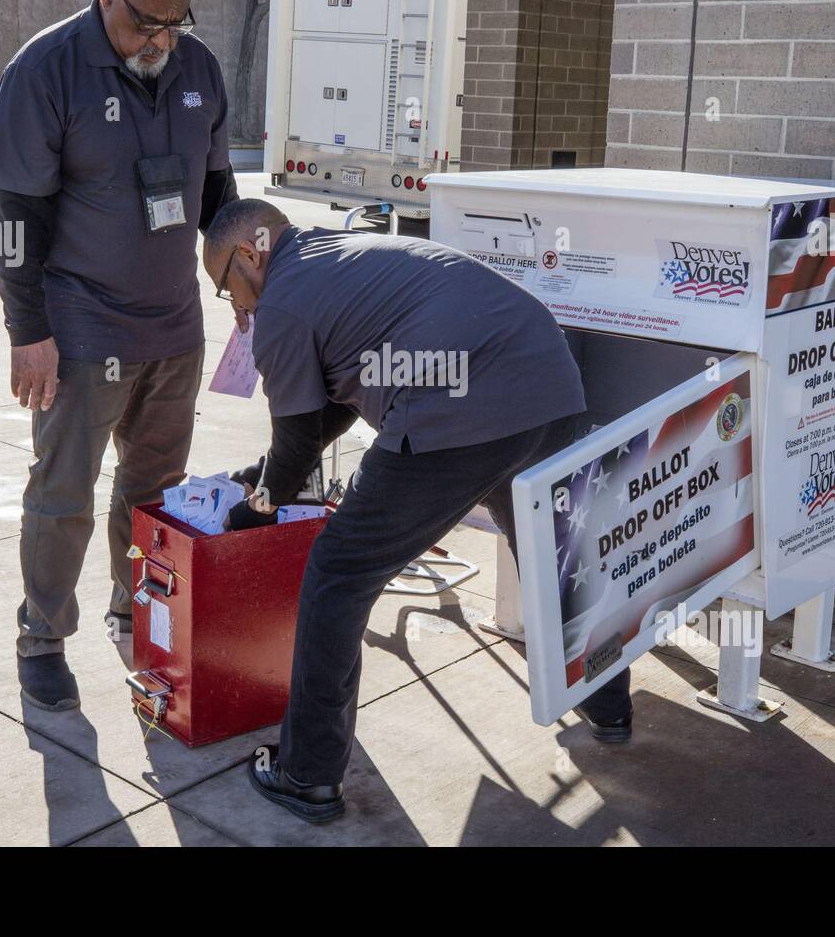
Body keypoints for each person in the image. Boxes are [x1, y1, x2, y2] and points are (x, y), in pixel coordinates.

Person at [202, 199, 633, 824]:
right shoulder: (334, 257)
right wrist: (267, 478)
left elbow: (296, 441)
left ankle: (306, 775)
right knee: (548, 556)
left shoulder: (282, 306)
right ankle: (608, 701)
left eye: (226, 289)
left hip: (456, 411)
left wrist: (258, 507)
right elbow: (342, 399)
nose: (235, 308)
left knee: (337, 576)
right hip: (545, 386)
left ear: (249, 253)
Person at [0, 0, 238, 711]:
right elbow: (13, 215)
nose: (160, 40)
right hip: (80, 327)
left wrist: (258, 286)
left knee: (155, 488)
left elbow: (219, 199)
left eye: (175, 24)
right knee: (63, 491)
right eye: (144, 24)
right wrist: (27, 330)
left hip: (173, 331)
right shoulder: (45, 71)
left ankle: (137, 606)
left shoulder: (198, 70)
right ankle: (42, 634)